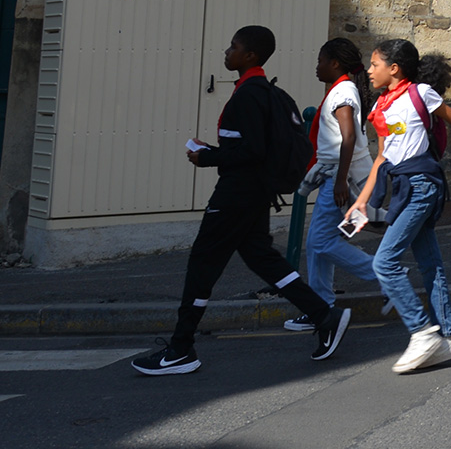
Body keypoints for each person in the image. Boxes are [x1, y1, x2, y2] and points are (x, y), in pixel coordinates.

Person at [134, 26, 351, 376]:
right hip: (254, 192)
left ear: (250, 56)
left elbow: (251, 151)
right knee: (263, 259)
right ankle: (325, 316)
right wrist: (217, 152)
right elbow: (250, 147)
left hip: (237, 193)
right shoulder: (262, 92)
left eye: (233, 47)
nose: (226, 52)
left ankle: (180, 348)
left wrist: (207, 157)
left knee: (203, 263)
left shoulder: (249, 95)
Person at [348, 39, 451, 373]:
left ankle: (421, 331)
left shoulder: (420, 94)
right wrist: (361, 201)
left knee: (384, 262)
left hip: (423, 185)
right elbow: (383, 158)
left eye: (375, 65)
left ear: (394, 68)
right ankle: (443, 338)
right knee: (430, 262)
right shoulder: (383, 105)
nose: (369, 71)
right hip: (403, 188)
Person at [286, 39, 379, 328]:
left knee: (320, 242)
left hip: (340, 179)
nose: (317, 66)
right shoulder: (342, 89)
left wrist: (339, 182)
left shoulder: (342, 91)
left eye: (320, 60)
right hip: (336, 176)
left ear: (335, 63)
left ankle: (386, 273)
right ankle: (321, 307)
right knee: (318, 244)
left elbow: (348, 137)